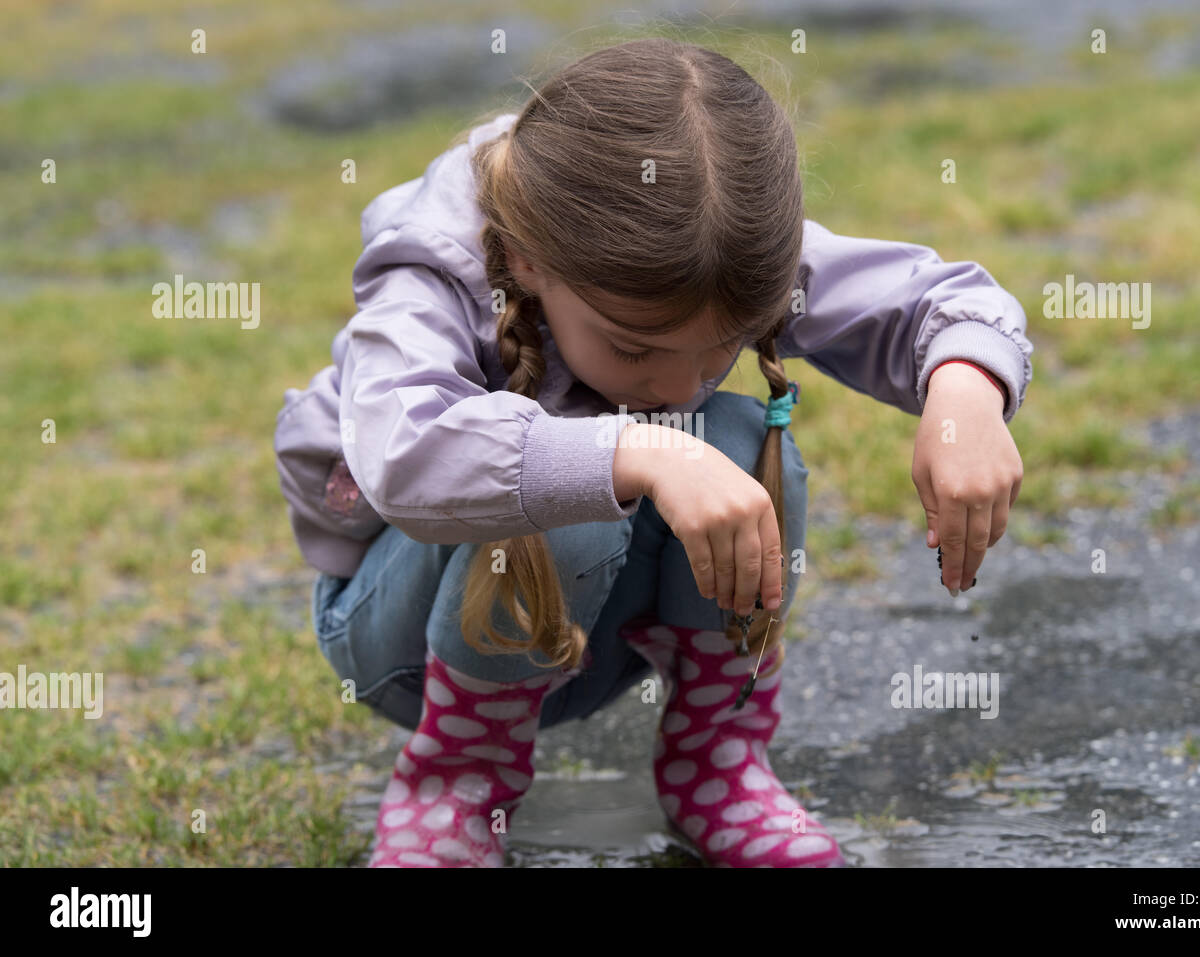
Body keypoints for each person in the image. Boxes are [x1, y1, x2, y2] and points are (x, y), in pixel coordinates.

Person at [273, 37, 1032, 868]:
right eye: (636, 351)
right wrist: (640, 453)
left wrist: (965, 396)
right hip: (404, 645)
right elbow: (403, 454)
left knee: (739, 440)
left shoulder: (716, 244)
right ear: (528, 261)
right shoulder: (439, 266)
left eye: (722, 350)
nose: (680, 387)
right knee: (580, 497)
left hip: (594, 636)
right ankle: (453, 786)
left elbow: (937, 301)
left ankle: (720, 766)